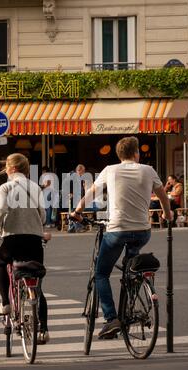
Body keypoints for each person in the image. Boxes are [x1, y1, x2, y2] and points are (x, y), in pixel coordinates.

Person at [71, 136, 172, 339]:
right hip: (143, 231)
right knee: (131, 268)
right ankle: (132, 299)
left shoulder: (110, 170)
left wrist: (77, 210)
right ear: (136, 153)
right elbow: (162, 194)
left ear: (119, 155)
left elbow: (92, 192)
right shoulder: (148, 170)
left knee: (101, 273)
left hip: (117, 231)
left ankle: (111, 319)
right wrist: (167, 214)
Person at [0, 153, 50, 344]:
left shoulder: (6, 187)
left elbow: (2, 209)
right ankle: (44, 330)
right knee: (37, 284)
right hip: (34, 240)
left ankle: (5, 303)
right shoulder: (35, 187)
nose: (5, 169)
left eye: (6, 166)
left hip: (12, 238)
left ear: (12, 168)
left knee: (0, 262)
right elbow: (43, 215)